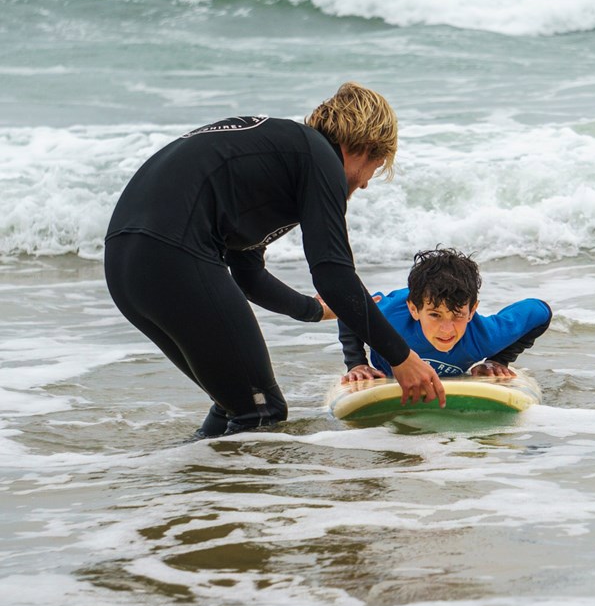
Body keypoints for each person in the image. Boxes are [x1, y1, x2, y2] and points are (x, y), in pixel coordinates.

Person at [104, 82, 446, 438]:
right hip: (171, 255)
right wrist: (402, 358)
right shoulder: (319, 158)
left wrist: (313, 311)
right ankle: (226, 490)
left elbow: (248, 273)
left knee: (237, 401)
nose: (363, 186)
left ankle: (197, 484)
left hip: (125, 265)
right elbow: (333, 273)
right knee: (261, 409)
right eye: (373, 169)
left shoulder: (279, 161)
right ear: (364, 146)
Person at [339, 247, 552, 382]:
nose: (447, 329)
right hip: (398, 304)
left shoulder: (483, 336)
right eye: (435, 315)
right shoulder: (389, 320)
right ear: (414, 310)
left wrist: (499, 360)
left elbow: (540, 310)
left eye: (458, 315)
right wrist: (357, 362)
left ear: (472, 311)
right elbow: (345, 305)